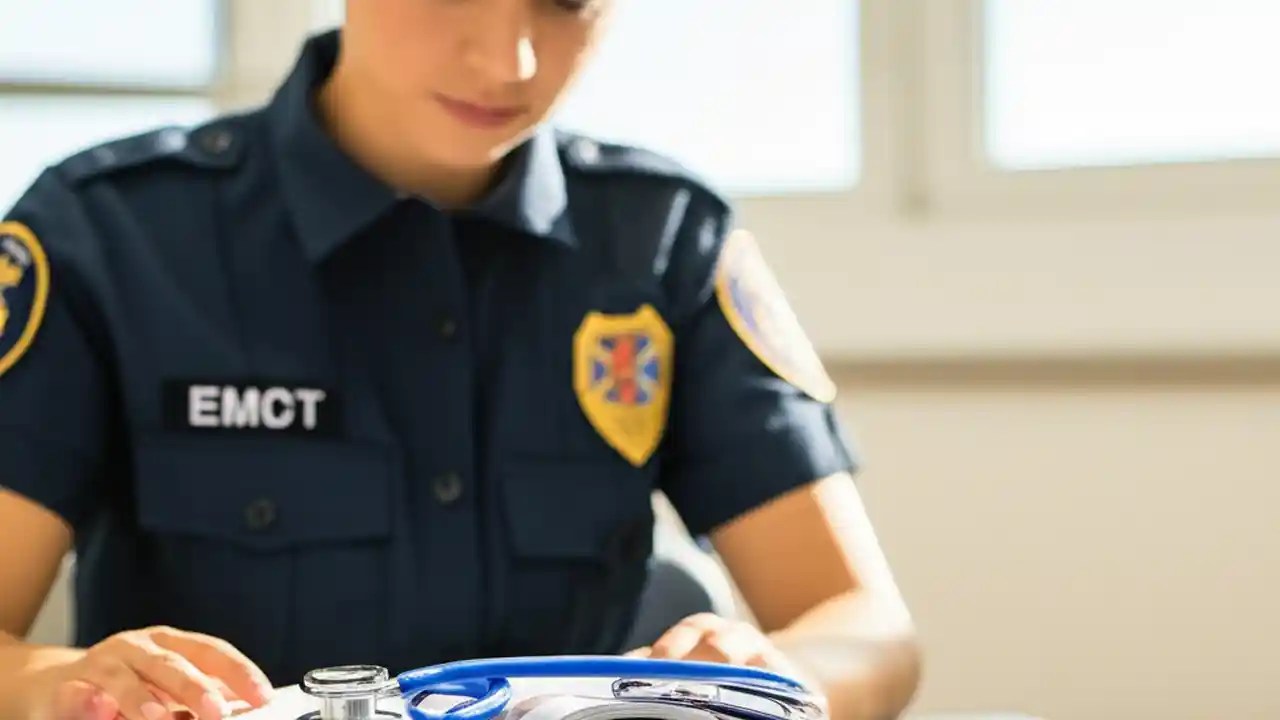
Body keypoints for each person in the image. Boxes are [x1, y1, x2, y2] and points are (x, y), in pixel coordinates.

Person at [0, 2, 921, 720]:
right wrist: (59, 685)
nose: (510, 60)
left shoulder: (661, 239)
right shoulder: (110, 233)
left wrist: (788, 679)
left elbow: (866, 625)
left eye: (567, 0)